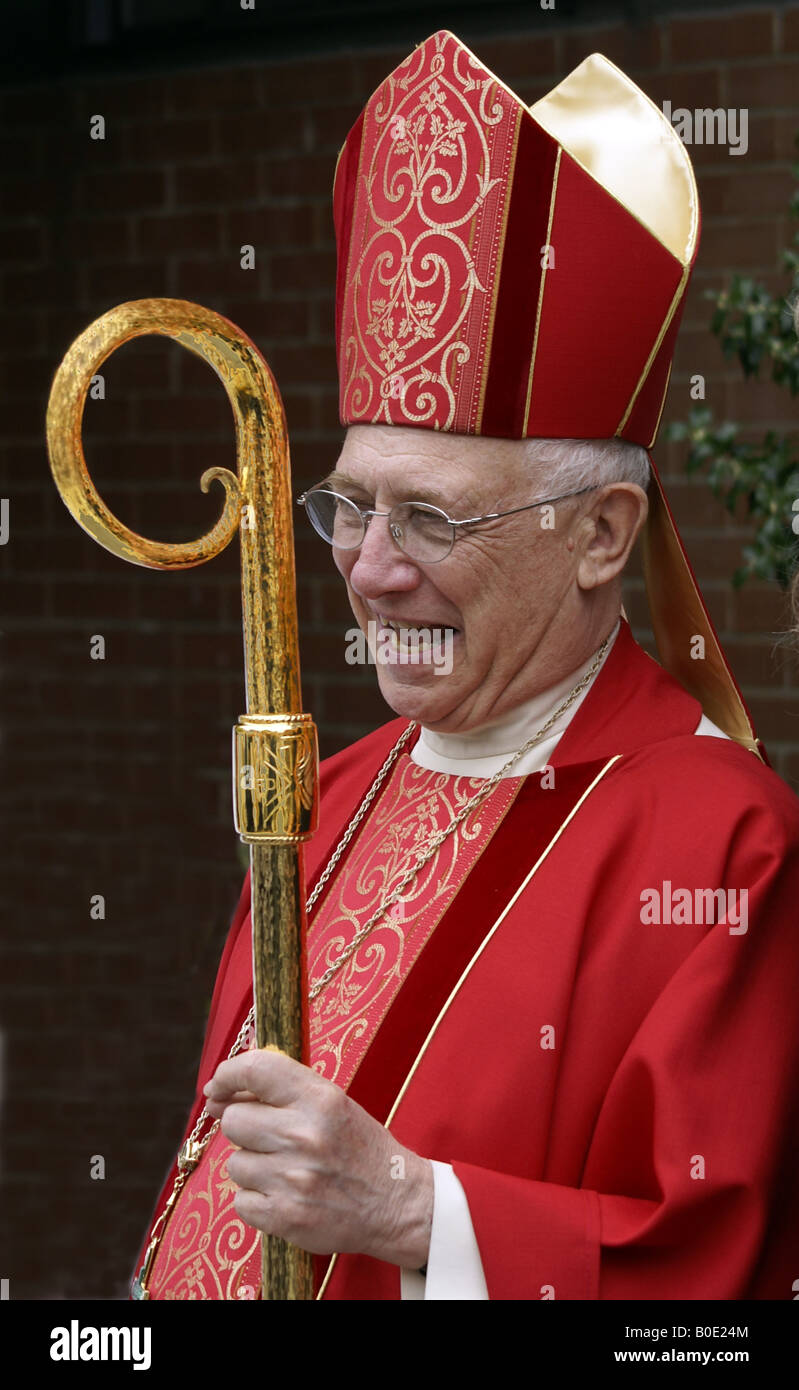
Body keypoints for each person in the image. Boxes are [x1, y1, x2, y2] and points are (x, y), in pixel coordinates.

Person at [132, 33, 799, 1301]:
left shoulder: (725, 848)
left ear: (600, 535)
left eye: (432, 518)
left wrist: (411, 1209)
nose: (371, 570)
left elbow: (716, 1287)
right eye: (350, 508)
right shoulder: (328, 792)